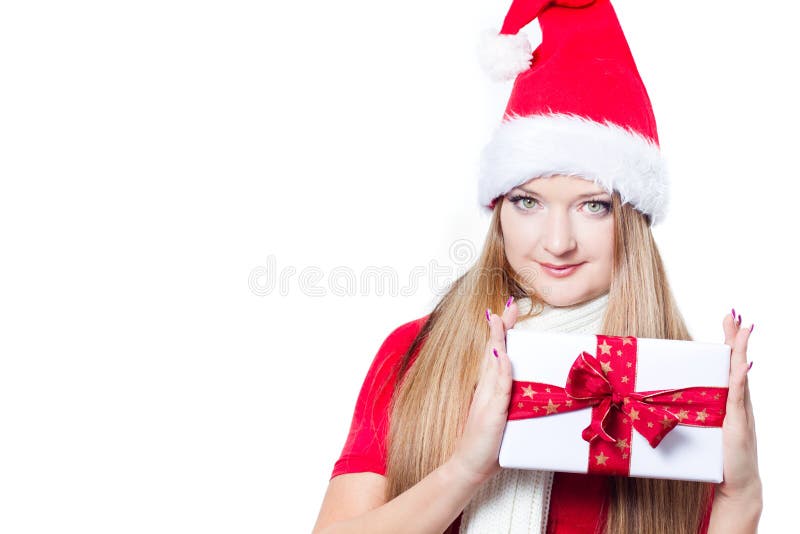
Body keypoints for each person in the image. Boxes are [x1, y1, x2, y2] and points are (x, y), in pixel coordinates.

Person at [312, 1, 762, 533]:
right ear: (499, 208)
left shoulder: (670, 388)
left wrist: (741, 498)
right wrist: (465, 471)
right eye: (528, 201)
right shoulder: (414, 357)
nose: (557, 241)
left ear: (632, 221)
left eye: (593, 205)